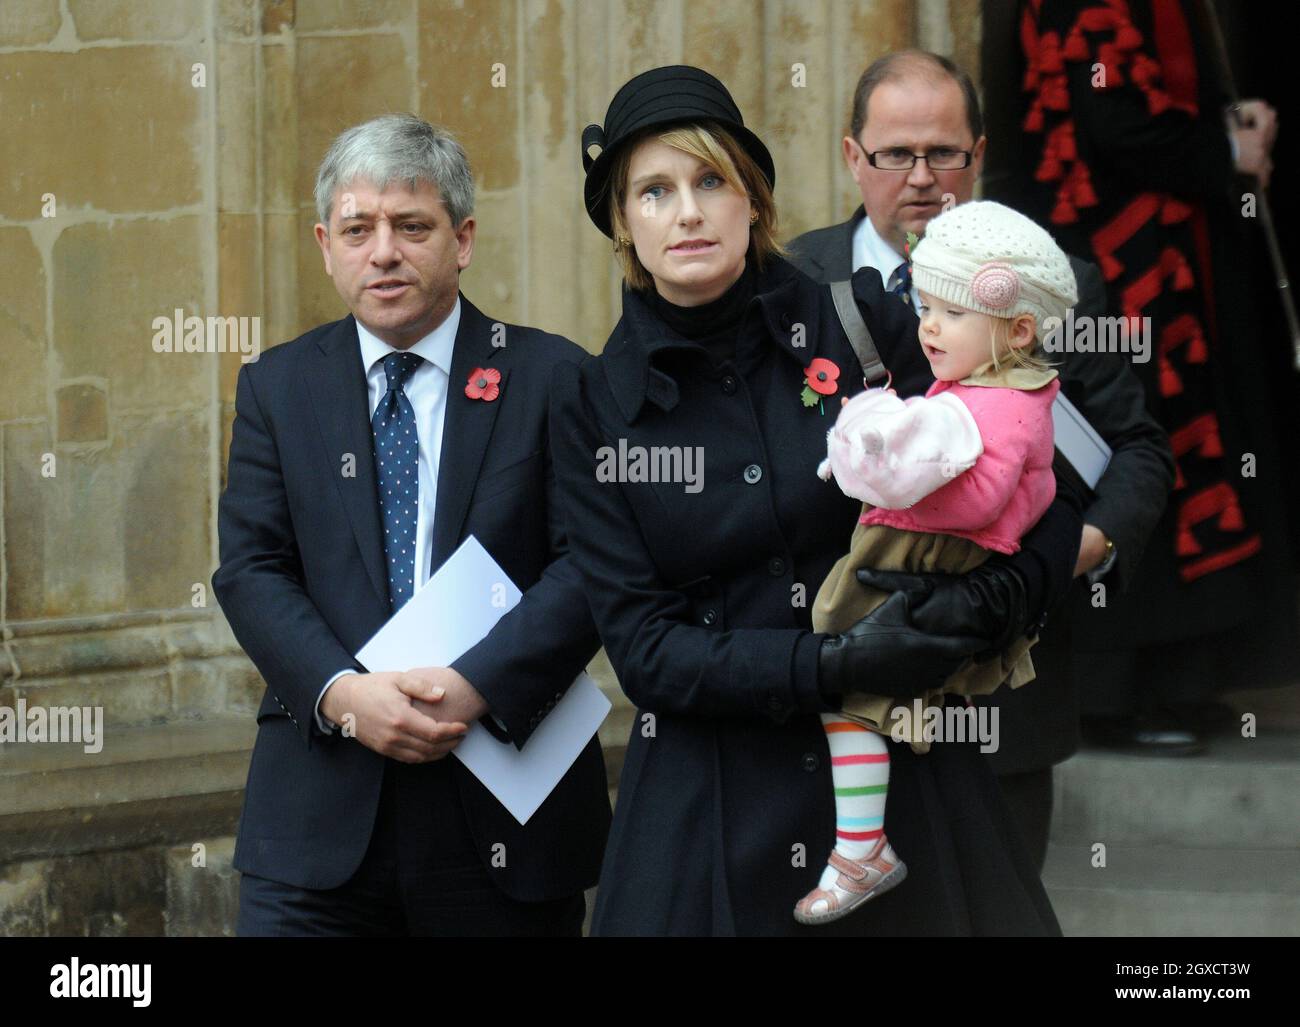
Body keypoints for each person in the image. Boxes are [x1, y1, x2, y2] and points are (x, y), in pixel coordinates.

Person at [551, 65, 1085, 936]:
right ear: (622, 222)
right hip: (711, 820)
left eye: (711, 180)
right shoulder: (593, 406)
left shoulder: (867, 323)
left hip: (909, 795)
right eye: (654, 191)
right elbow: (646, 653)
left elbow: (1044, 499)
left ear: (753, 199)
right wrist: (831, 667)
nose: (687, 211)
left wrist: (982, 603)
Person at [213, 114, 610, 936]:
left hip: (501, 812)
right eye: (358, 229)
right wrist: (345, 693)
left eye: (412, 226)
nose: (383, 252)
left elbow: (592, 563)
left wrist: (482, 683)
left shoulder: (552, 376)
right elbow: (252, 568)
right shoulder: (278, 389)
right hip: (319, 820)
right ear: (326, 244)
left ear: (462, 239)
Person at [786, 50, 1174, 868]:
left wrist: (1061, 557)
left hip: (1002, 697)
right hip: (840, 683)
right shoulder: (792, 281)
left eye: (945, 153)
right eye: (896, 153)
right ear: (853, 156)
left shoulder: (1053, 284)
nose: (922, 177)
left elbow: (1139, 452)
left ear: (981, 153)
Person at [1004, 0, 1293, 754]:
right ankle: (1113, 694)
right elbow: (1112, 125)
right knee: (1133, 456)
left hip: (1171, 269)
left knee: (1187, 464)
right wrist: (1225, 150)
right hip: (1121, 271)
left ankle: (1173, 681)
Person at [797, 200, 1076, 925]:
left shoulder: (1008, 402)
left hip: (930, 557)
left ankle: (861, 847)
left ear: (1016, 329)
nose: (927, 327)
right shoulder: (983, 382)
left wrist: (901, 474)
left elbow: (985, 497)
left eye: (950, 313)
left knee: (851, 688)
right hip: (918, 554)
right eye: (926, 306)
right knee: (857, 695)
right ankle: (861, 842)